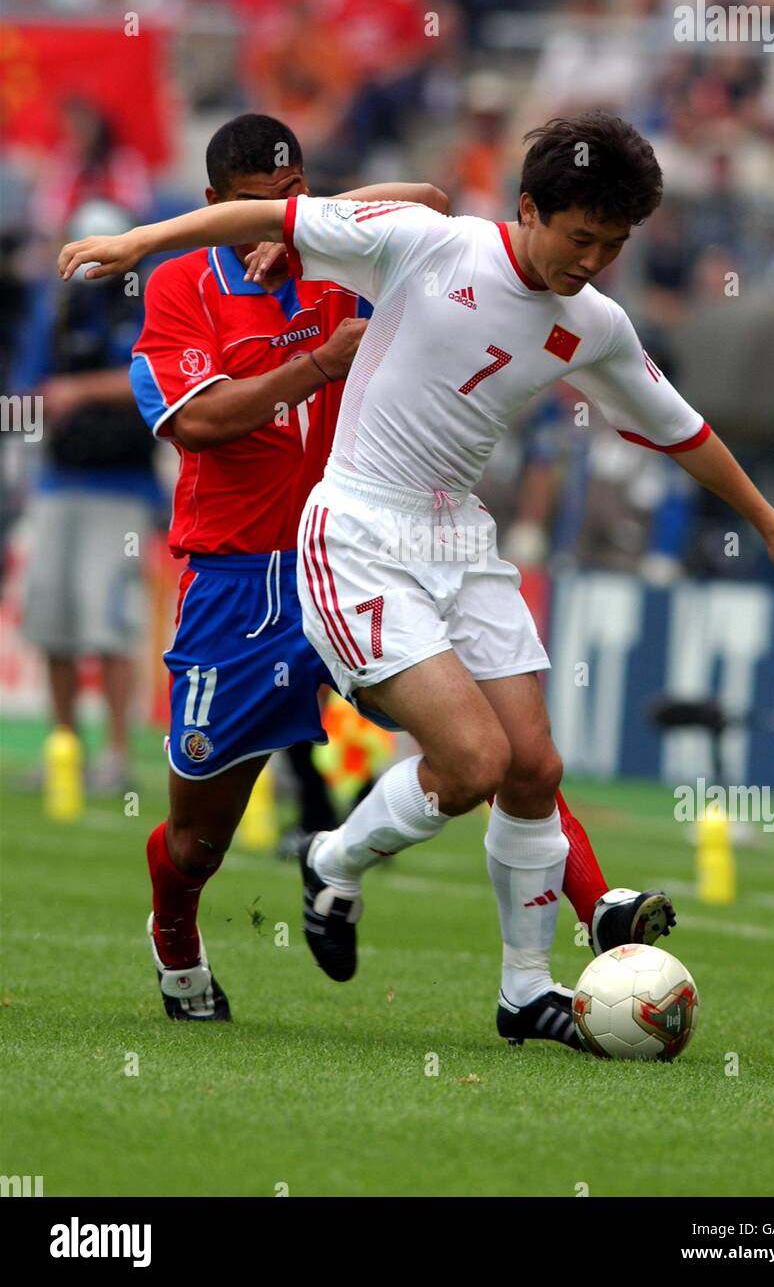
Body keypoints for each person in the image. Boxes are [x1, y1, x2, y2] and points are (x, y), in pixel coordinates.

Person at [58, 112, 774, 1052]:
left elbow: (682, 429)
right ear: (530, 210)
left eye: (612, 246)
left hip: (454, 541)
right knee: (204, 836)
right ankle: (238, 901)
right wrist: (140, 241)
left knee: (525, 762)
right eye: (579, 239)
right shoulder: (236, 279)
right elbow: (197, 422)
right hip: (290, 560)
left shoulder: (587, 321)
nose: (591, 261)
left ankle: (537, 977)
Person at [124, 110, 447, 1019]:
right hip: (239, 578)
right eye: (259, 205)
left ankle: (561, 949)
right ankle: (176, 936)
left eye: (296, 194)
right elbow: (199, 420)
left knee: (489, 746)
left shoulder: (342, 257)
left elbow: (430, 200)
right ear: (213, 207)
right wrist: (315, 364)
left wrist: (307, 224)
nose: (283, 215)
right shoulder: (182, 283)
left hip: (351, 557)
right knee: (197, 842)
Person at [15, 199, 161, 793]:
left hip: (122, 485)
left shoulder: (148, 307)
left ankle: (117, 756)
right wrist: (28, 432)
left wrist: (79, 392)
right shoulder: (54, 312)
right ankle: (64, 748)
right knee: (53, 621)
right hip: (58, 482)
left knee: (110, 622)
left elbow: (155, 378)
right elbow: (28, 389)